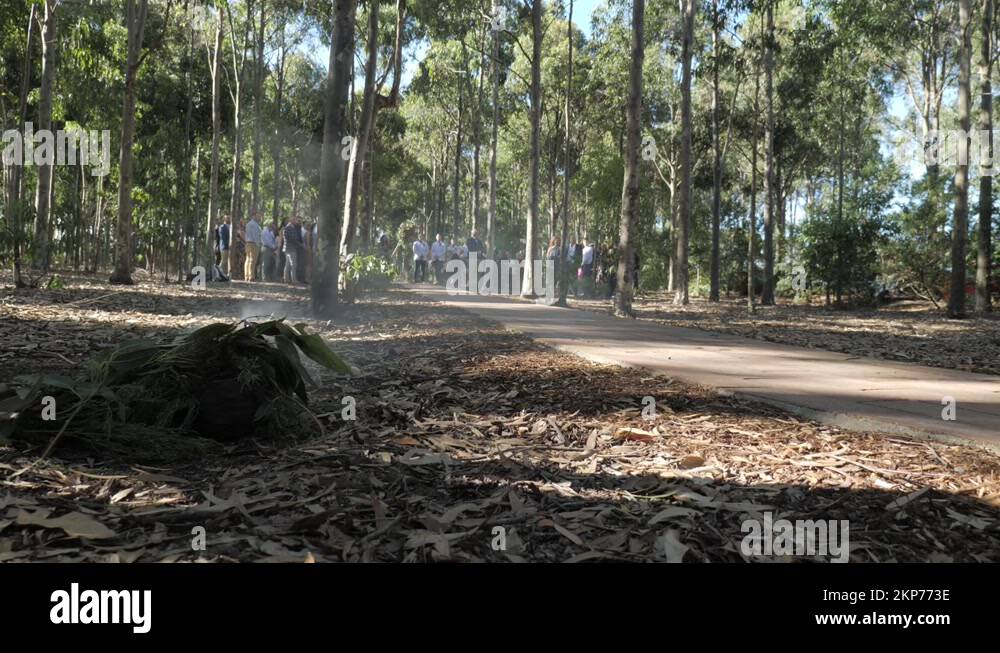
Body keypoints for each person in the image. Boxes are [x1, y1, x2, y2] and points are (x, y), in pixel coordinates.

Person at [283, 216, 304, 283]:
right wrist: (300, 244)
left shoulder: (290, 227)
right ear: (291, 220)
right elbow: (292, 238)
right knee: (293, 264)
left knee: (288, 264)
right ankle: (293, 280)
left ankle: (286, 279)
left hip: (288, 248)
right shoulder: (289, 227)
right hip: (290, 248)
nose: (296, 221)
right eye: (295, 220)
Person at [244, 213, 262, 281]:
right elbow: (255, 235)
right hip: (253, 243)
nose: (259, 218)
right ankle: (251, 276)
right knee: (252, 260)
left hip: (248, 243)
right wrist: (258, 244)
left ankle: (246, 276)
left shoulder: (248, 224)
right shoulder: (254, 225)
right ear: (253, 216)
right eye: (258, 216)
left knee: (248, 259)